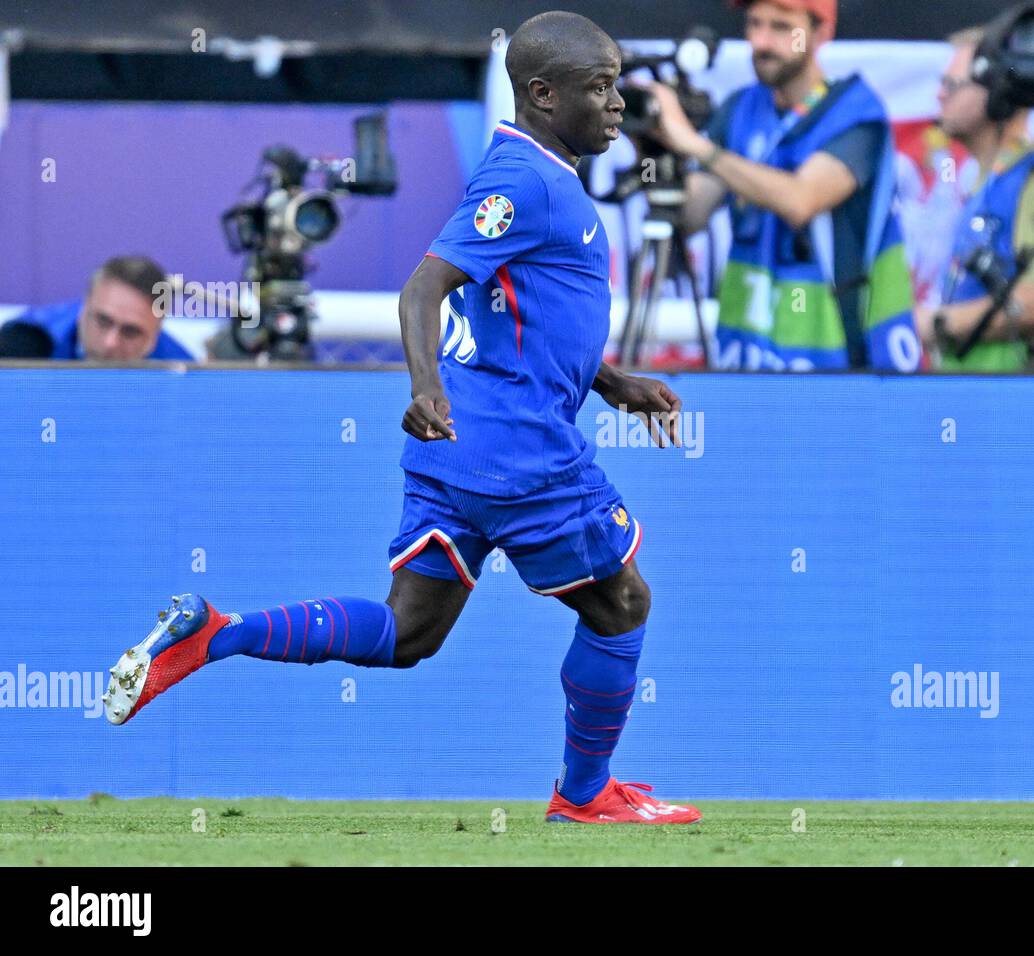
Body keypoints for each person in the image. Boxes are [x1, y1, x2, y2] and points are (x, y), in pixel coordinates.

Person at [101, 11, 701, 826]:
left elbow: (519, 314)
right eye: (600, 87)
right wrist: (425, 388)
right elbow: (423, 287)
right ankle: (585, 793)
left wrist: (609, 380)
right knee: (623, 605)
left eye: (617, 85)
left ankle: (218, 632)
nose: (617, 104)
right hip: (518, 455)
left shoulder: (537, 175)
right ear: (541, 93)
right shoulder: (524, 180)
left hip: (458, 456)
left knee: (408, 632)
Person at [649, 0, 919, 371]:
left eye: (780, 27)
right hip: (746, 354)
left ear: (822, 32)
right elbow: (692, 214)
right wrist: (652, 151)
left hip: (833, 354)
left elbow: (800, 200)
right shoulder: (740, 108)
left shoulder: (857, 112)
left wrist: (692, 143)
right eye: (753, 24)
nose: (761, 41)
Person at [914, 27, 1034, 371]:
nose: (939, 96)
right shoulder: (987, 178)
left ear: (999, 94)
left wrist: (938, 324)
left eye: (952, 85)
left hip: (1010, 406)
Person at [0, 256, 193, 361]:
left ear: (154, 337)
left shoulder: (182, 375)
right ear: (83, 310)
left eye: (130, 332)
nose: (110, 343)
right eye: (102, 321)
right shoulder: (22, 345)